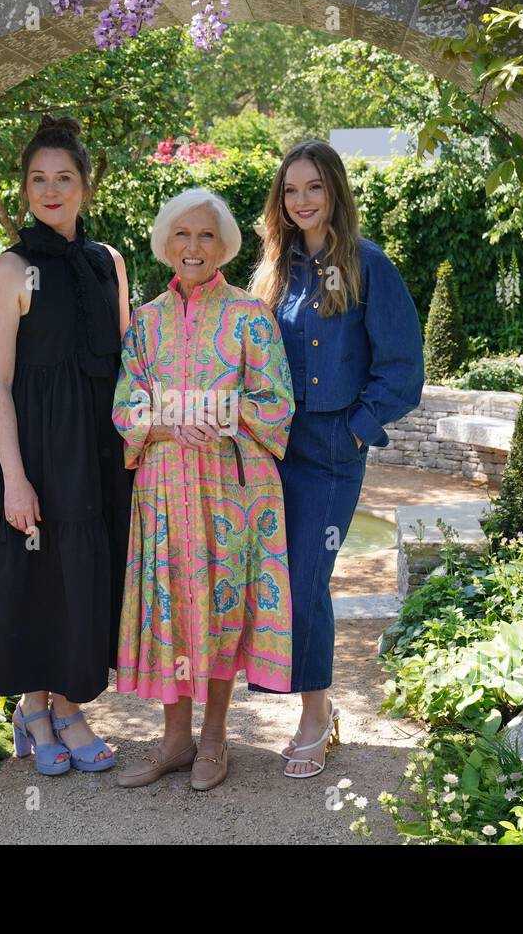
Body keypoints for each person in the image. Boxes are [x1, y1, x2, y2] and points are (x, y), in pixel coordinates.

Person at [249, 140, 424, 778]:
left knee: (306, 580)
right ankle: (300, 707)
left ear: (336, 194)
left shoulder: (368, 266)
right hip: (270, 449)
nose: (302, 201)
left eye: (314, 188)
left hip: (330, 452)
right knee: (268, 580)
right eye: (291, 190)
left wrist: (357, 429)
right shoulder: (273, 270)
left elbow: (403, 369)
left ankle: (315, 715)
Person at [112, 188, 295, 791]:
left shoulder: (250, 316)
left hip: (230, 489)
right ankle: (173, 741)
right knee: (171, 601)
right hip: (163, 488)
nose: (193, 247)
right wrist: (163, 422)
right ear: (168, 244)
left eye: (206, 236)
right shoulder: (143, 322)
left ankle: (215, 740)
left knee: (218, 604)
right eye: (183, 235)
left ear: (222, 246)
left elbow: (277, 403)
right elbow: (124, 405)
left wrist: (221, 411)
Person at [0, 115, 133, 775]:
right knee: (39, 577)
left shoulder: (109, 264)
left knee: (85, 579)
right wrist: (15, 476)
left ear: (84, 187)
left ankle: (64, 704)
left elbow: (128, 364)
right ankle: (37, 711)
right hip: (38, 450)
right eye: (39, 178)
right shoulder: (10, 268)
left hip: (98, 451)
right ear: (24, 190)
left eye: (64, 177)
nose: (51, 189)